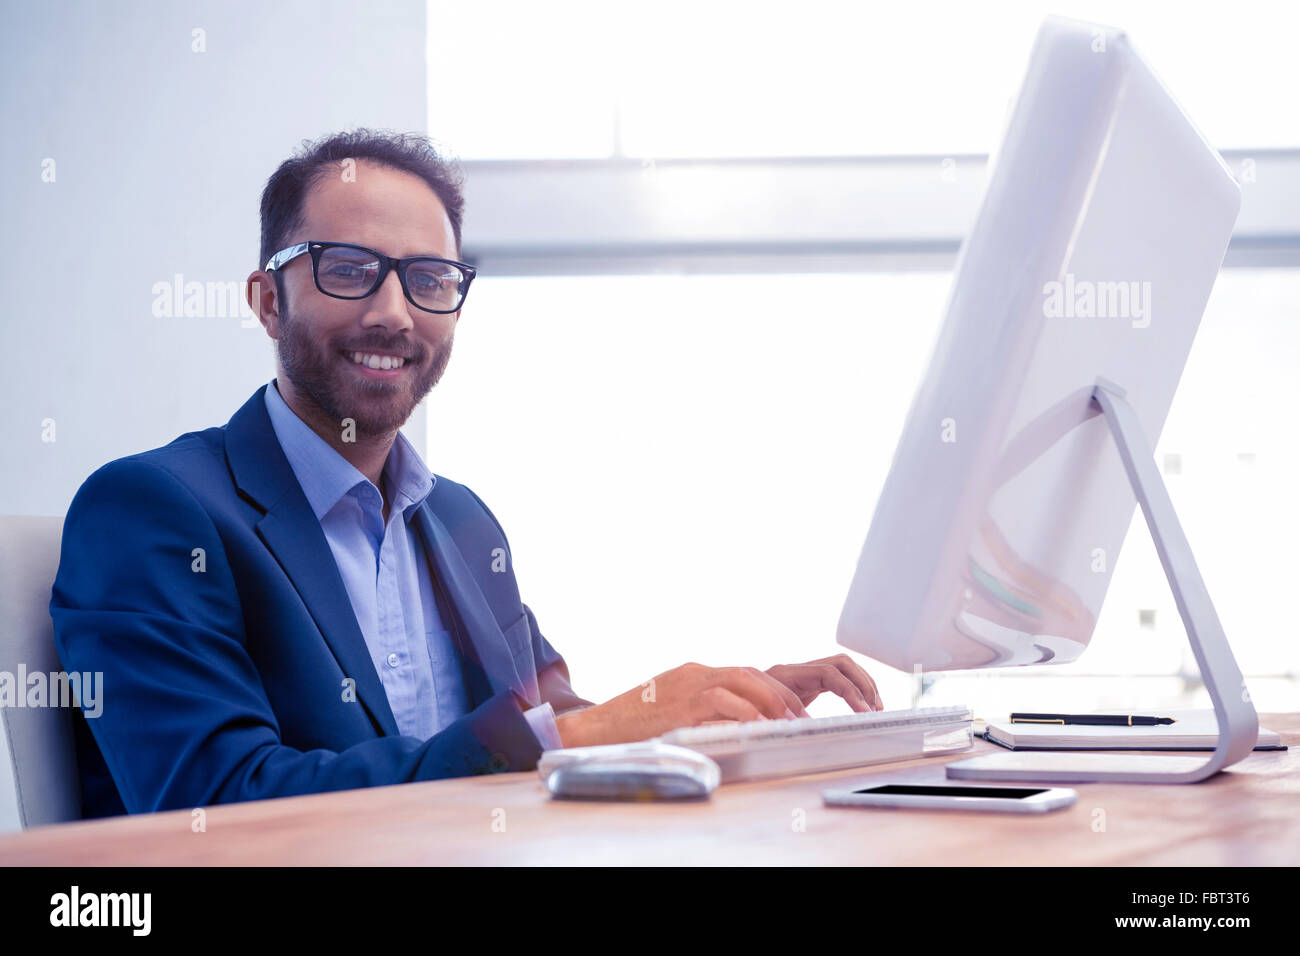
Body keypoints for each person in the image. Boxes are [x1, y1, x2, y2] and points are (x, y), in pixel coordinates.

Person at [50, 129, 882, 818]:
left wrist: (727, 715)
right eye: (347, 268)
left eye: (429, 279)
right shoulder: (155, 510)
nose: (393, 312)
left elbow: (553, 720)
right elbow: (217, 806)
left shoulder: (459, 519)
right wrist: (583, 736)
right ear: (269, 300)